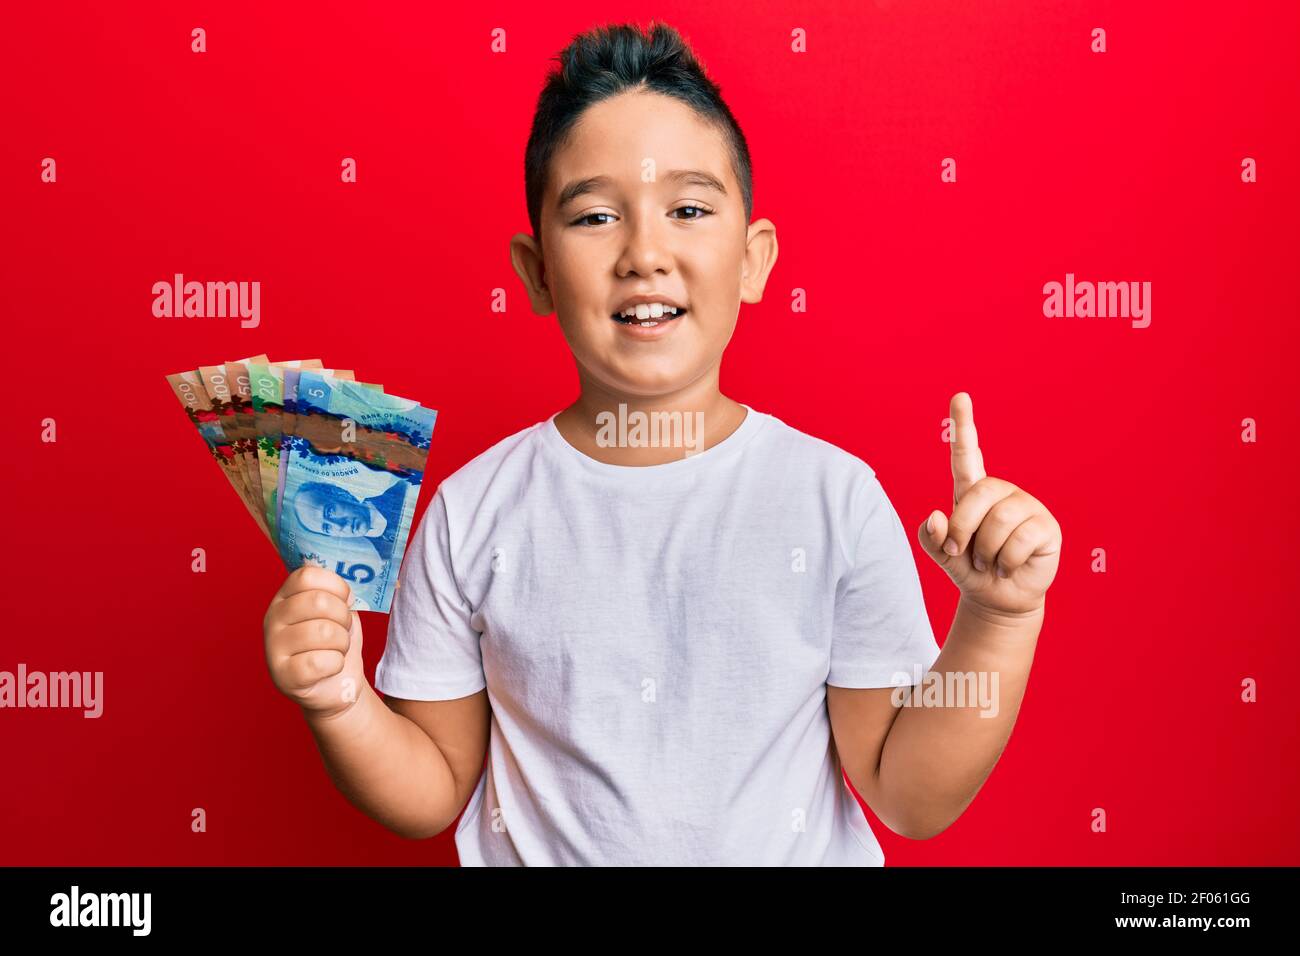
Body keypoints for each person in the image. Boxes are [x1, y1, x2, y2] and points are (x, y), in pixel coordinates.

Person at [262, 20, 1062, 865]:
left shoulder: (834, 500)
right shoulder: (472, 513)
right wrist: (339, 698)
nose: (645, 254)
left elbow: (908, 793)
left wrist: (999, 617)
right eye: (598, 215)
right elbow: (432, 790)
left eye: (687, 209)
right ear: (536, 272)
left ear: (754, 260)